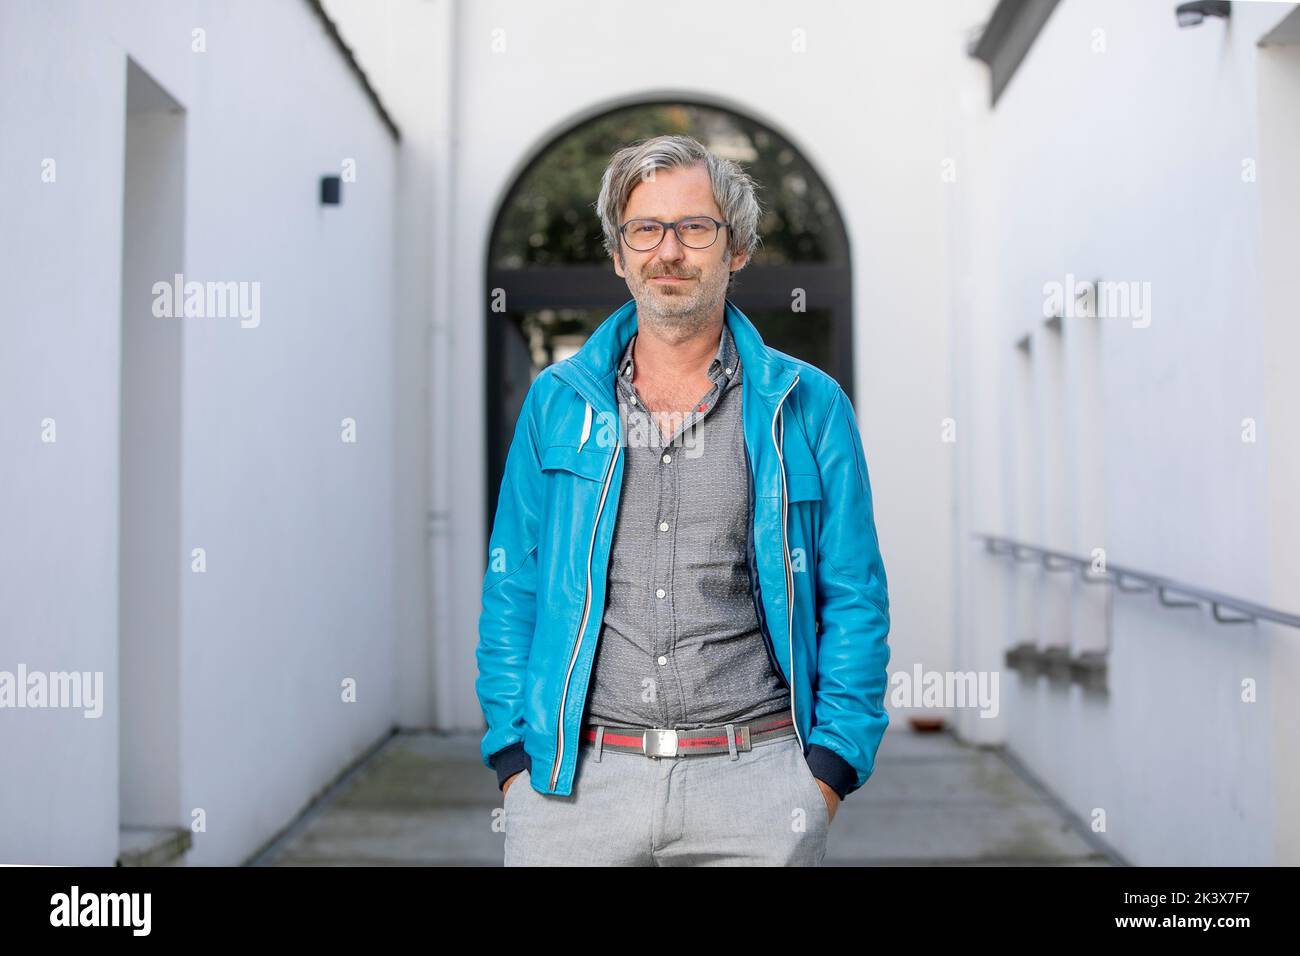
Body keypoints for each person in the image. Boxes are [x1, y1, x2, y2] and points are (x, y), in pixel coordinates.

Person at [476, 133, 890, 866]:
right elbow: (513, 586)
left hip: (757, 787)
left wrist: (827, 774)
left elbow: (854, 594)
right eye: (646, 228)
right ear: (619, 253)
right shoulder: (556, 405)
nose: (669, 251)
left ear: (735, 249)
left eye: (695, 227)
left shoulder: (810, 405)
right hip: (573, 792)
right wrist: (514, 758)